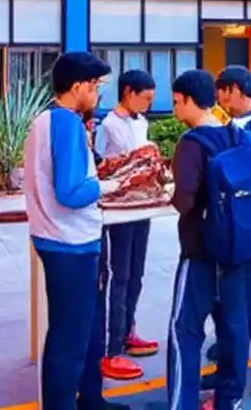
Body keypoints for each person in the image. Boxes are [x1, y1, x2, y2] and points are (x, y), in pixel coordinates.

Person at [23, 52, 128, 410]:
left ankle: (91, 400)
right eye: (96, 86)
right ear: (79, 86)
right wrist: (112, 185)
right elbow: (70, 191)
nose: (98, 93)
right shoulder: (66, 123)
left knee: (80, 331)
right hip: (70, 243)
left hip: (59, 239)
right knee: (69, 340)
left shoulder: (44, 121)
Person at [166, 69, 248, 410]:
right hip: (234, 247)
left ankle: (181, 403)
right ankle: (229, 400)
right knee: (232, 328)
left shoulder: (191, 144)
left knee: (184, 331)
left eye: (175, 102)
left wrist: (169, 193)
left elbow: (184, 200)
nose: (173, 110)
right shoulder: (234, 134)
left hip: (199, 250)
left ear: (187, 99)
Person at [200, 66, 251, 401]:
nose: (218, 98)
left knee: (247, 298)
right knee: (235, 298)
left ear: (234, 89)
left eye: (221, 90)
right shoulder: (239, 125)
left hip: (248, 221)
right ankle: (236, 366)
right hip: (236, 222)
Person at [93, 70, 161, 380]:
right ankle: (111, 348)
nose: (149, 104)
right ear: (128, 92)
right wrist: (136, 159)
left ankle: (128, 331)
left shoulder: (141, 122)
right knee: (119, 277)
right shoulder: (107, 126)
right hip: (119, 209)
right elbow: (102, 167)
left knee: (136, 273)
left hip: (142, 205)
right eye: (145, 98)